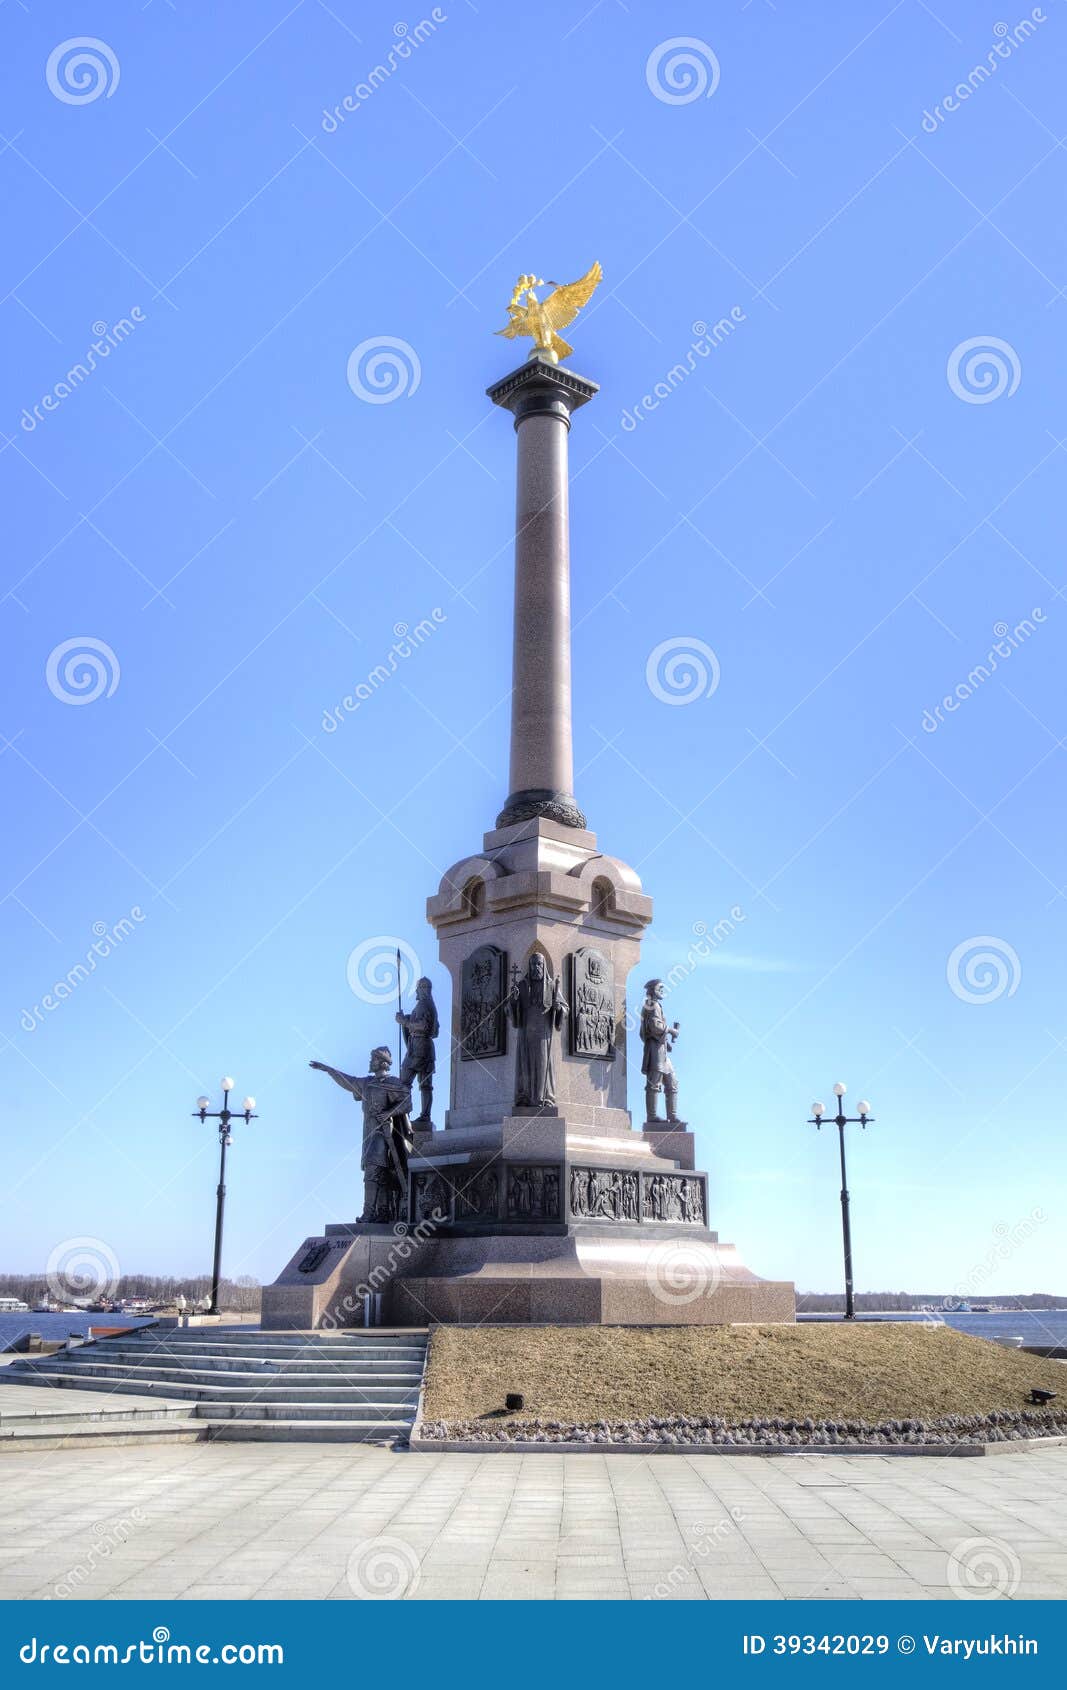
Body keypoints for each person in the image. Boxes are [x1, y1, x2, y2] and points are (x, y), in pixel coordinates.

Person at [309, 1047, 413, 1223]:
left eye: (373, 1059)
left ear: (383, 1063)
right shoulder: (367, 1083)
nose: (370, 1062)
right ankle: (382, 1213)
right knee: (380, 1173)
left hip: (384, 1134)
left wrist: (388, 1113)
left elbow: (407, 1103)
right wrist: (329, 1070)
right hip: (369, 1134)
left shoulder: (393, 1083)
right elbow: (348, 1081)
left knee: (372, 1170)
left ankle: (369, 1213)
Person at [507, 954, 567, 1108]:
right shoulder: (521, 986)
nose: (536, 967)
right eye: (533, 964)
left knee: (542, 1064)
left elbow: (564, 1008)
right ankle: (524, 1097)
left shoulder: (552, 986)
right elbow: (510, 1010)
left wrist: (558, 1008)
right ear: (529, 966)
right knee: (524, 1065)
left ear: (544, 966)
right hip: (525, 1033)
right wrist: (513, 1001)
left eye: (539, 964)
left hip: (543, 1033)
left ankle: (544, 1098)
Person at [396, 976, 439, 1125]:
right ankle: (422, 1116)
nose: (416, 991)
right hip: (424, 1047)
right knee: (425, 1085)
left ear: (423, 989)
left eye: (419, 988)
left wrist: (404, 1021)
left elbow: (424, 1027)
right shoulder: (429, 1005)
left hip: (419, 1048)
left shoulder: (424, 1005)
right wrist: (407, 1020)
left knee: (405, 1082)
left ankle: (404, 1116)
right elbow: (434, 1031)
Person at [640, 979, 680, 1123]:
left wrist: (666, 1042)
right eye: (660, 988)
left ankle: (672, 1116)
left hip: (662, 1051)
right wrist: (671, 1030)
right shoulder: (652, 1004)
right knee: (654, 1083)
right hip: (655, 1051)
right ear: (652, 990)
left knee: (672, 1082)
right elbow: (654, 1026)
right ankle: (652, 1116)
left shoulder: (654, 1004)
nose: (662, 990)